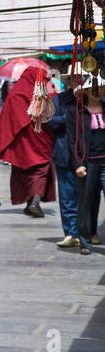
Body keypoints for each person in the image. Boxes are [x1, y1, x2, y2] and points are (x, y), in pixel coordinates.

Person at [0, 67, 56, 218]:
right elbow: (55, 111)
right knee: (41, 169)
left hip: (21, 143)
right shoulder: (47, 91)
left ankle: (31, 202)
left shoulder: (15, 94)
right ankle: (35, 201)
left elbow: (6, 119)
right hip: (42, 140)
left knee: (24, 170)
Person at [65, 76, 105, 257]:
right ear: (86, 92)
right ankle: (85, 241)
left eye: (102, 88)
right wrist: (78, 164)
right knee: (85, 203)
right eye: (96, 88)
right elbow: (72, 140)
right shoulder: (75, 111)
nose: (100, 91)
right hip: (87, 162)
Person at [49, 71, 83, 247]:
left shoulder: (94, 100)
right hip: (64, 153)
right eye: (75, 78)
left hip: (88, 154)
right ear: (69, 81)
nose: (79, 82)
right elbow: (50, 121)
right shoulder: (59, 100)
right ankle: (71, 232)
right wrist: (72, 117)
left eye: (82, 78)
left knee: (88, 196)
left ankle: (87, 231)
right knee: (67, 196)